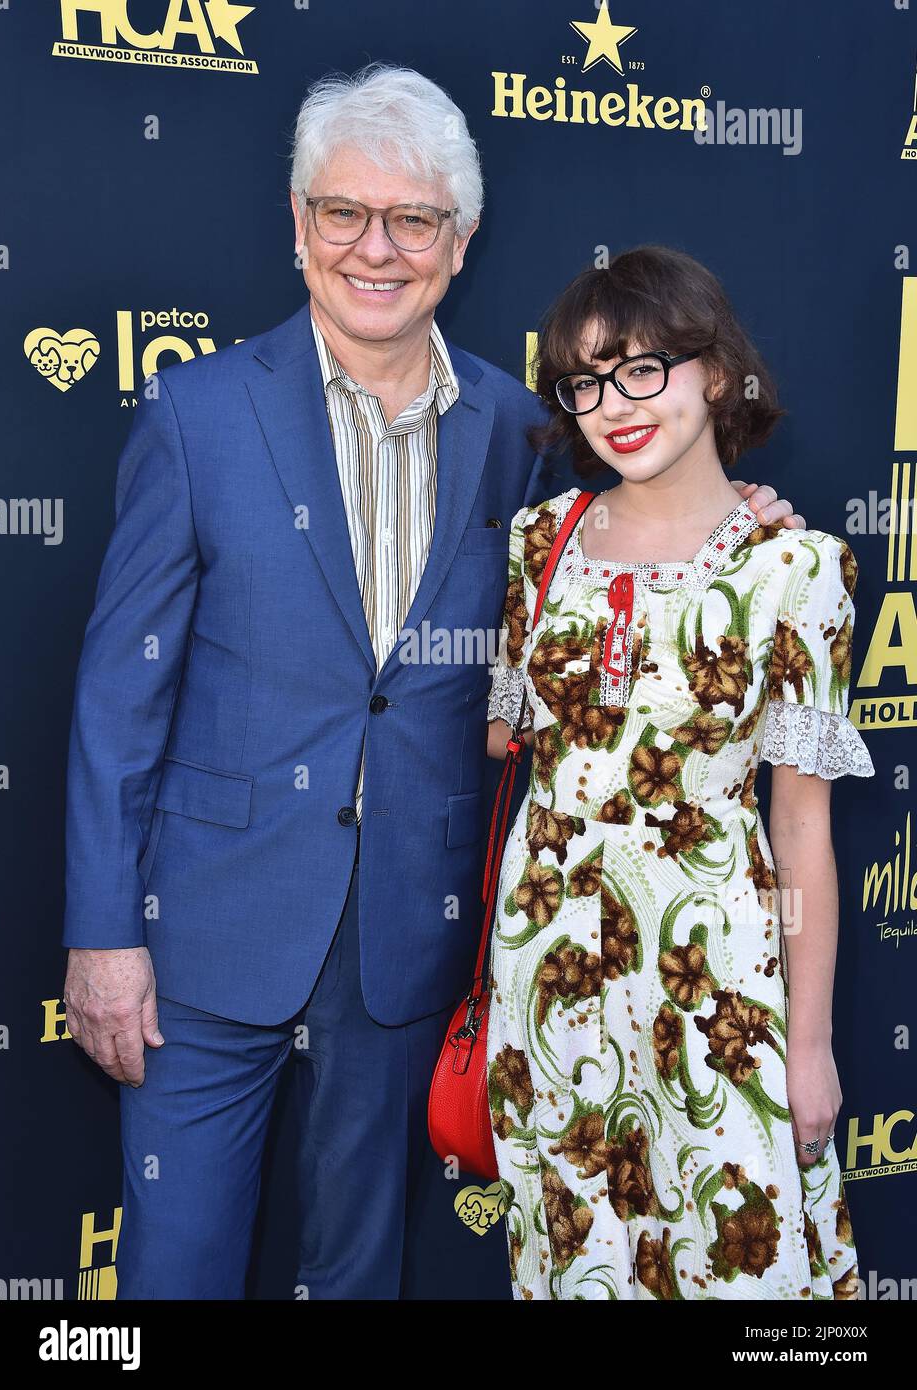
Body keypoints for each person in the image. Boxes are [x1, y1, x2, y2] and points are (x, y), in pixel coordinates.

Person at [61, 62, 803, 1301]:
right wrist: (100, 935)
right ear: (299, 226)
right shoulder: (196, 415)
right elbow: (114, 695)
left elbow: (630, 544)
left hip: (412, 936)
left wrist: (746, 522)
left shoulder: (522, 435)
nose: (376, 248)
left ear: (458, 244)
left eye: (413, 220)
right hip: (201, 931)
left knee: (357, 1272)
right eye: (344, 213)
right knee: (172, 1272)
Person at [485, 245, 873, 1301]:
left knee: (738, 1265)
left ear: (713, 372)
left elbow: (800, 829)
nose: (614, 402)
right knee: (577, 1263)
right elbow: (510, 747)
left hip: (712, 983)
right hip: (548, 977)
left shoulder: (795, 566)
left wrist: (810, 1043)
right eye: (586, 379)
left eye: (643, 367)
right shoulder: (537, 544)